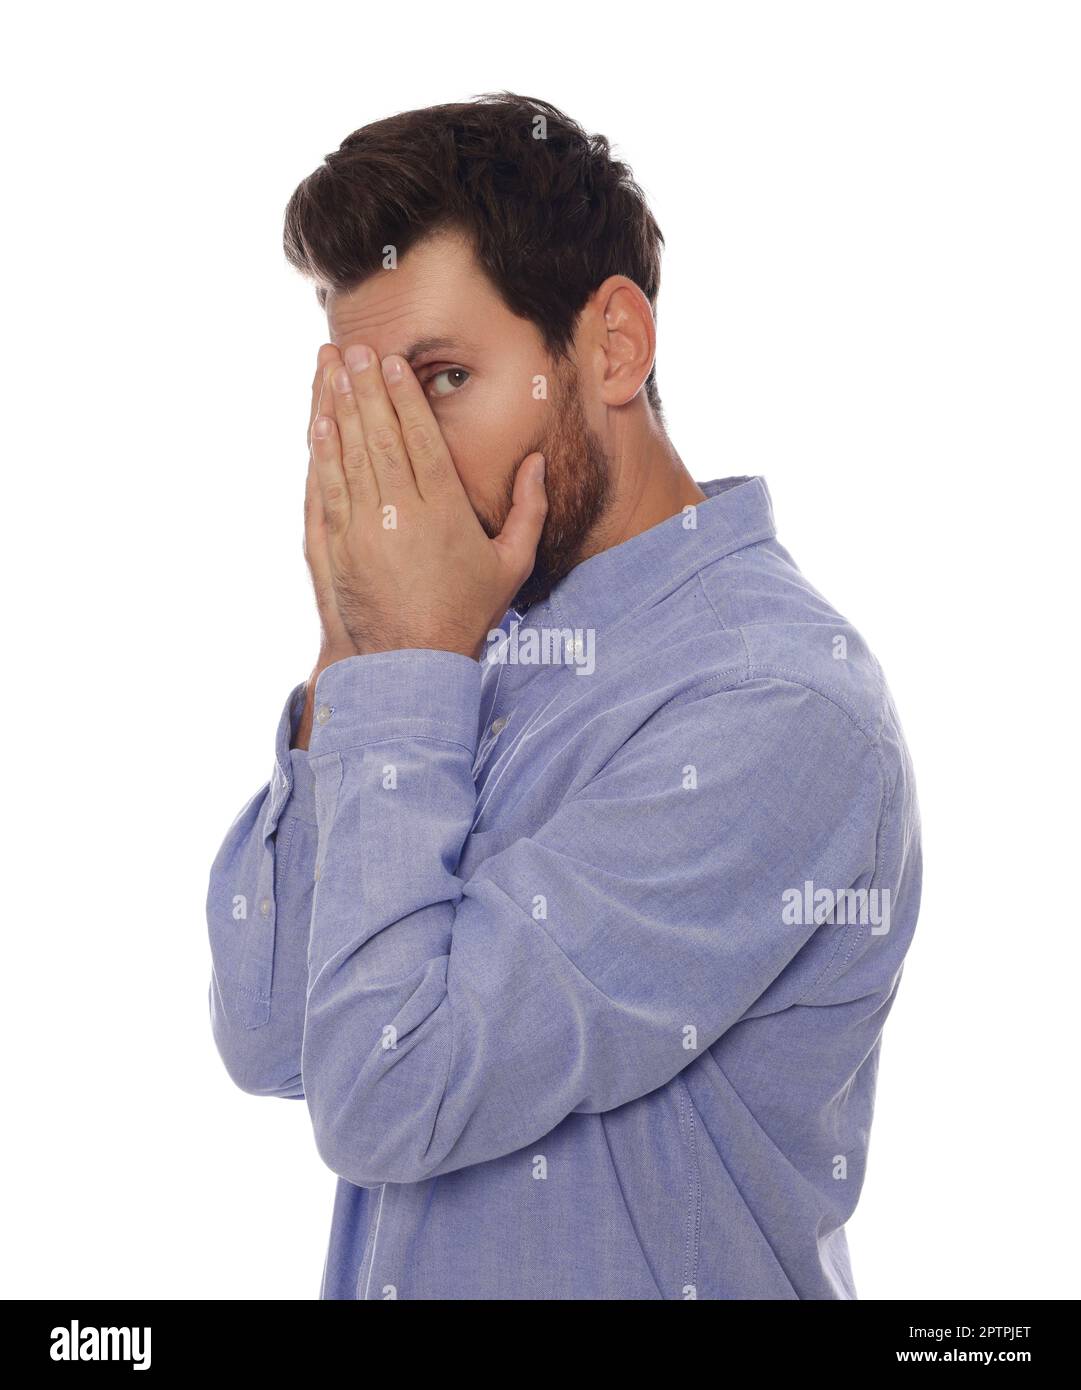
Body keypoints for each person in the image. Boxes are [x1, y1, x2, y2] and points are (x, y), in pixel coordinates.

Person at [206, 91, 922, 1300]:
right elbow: (276, 1035)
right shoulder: (447, 652)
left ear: (612, 348)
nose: (405, 464)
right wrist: (352, 645)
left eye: (439, 380)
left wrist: (407, 656)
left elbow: (393, 1087)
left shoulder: (775, 708)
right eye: (365, 404)